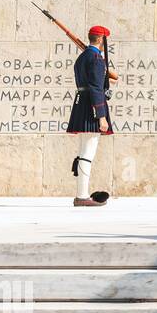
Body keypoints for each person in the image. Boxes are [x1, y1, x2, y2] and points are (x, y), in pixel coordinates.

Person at [67, 25, 114, 207]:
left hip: (82, 104)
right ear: (101, 40)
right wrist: (101, 115)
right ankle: (82, 196)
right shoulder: (95, 58)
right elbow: (95, 88)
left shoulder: (83, 57)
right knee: (87, 153)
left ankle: (82, 193)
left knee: (83, 152)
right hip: (91, 107)